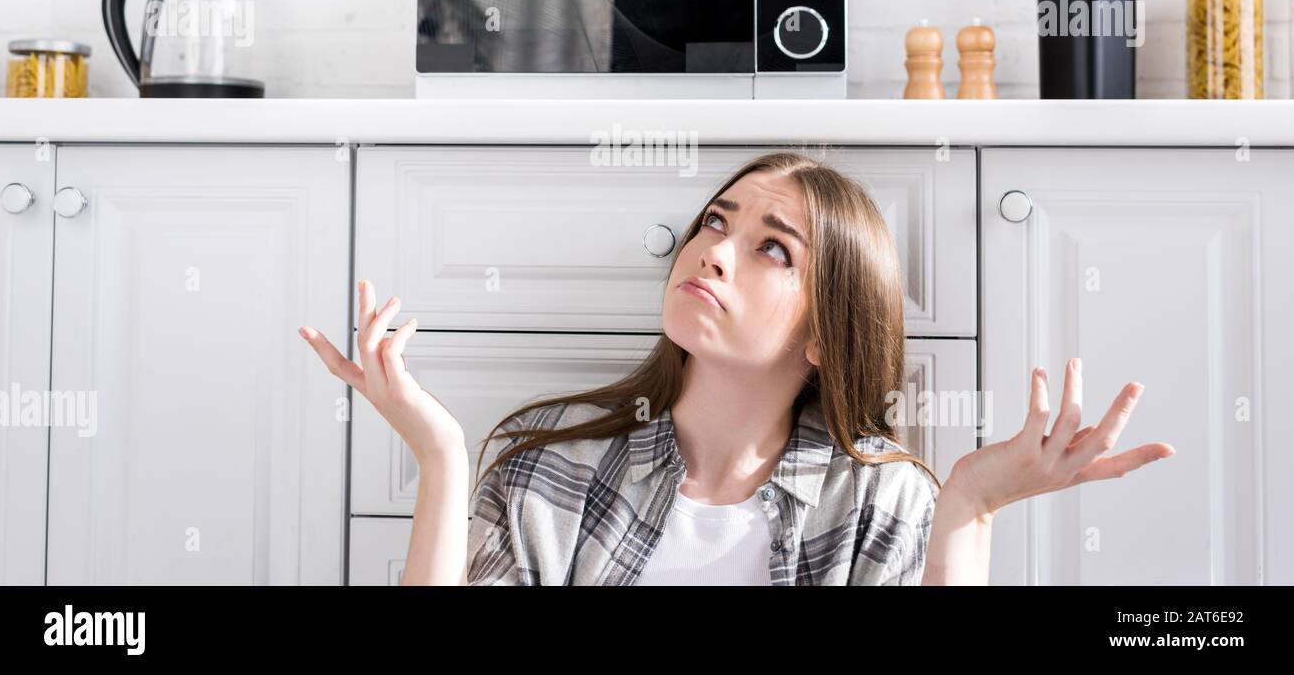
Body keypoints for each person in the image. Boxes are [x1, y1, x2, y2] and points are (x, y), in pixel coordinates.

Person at [299, 150, 1174, 585]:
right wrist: (442, 457)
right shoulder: (542, 487)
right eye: (715, 222)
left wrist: (967, 507)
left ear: (826, 336)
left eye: (771, 249)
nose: (714, 252)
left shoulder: (881, 504)